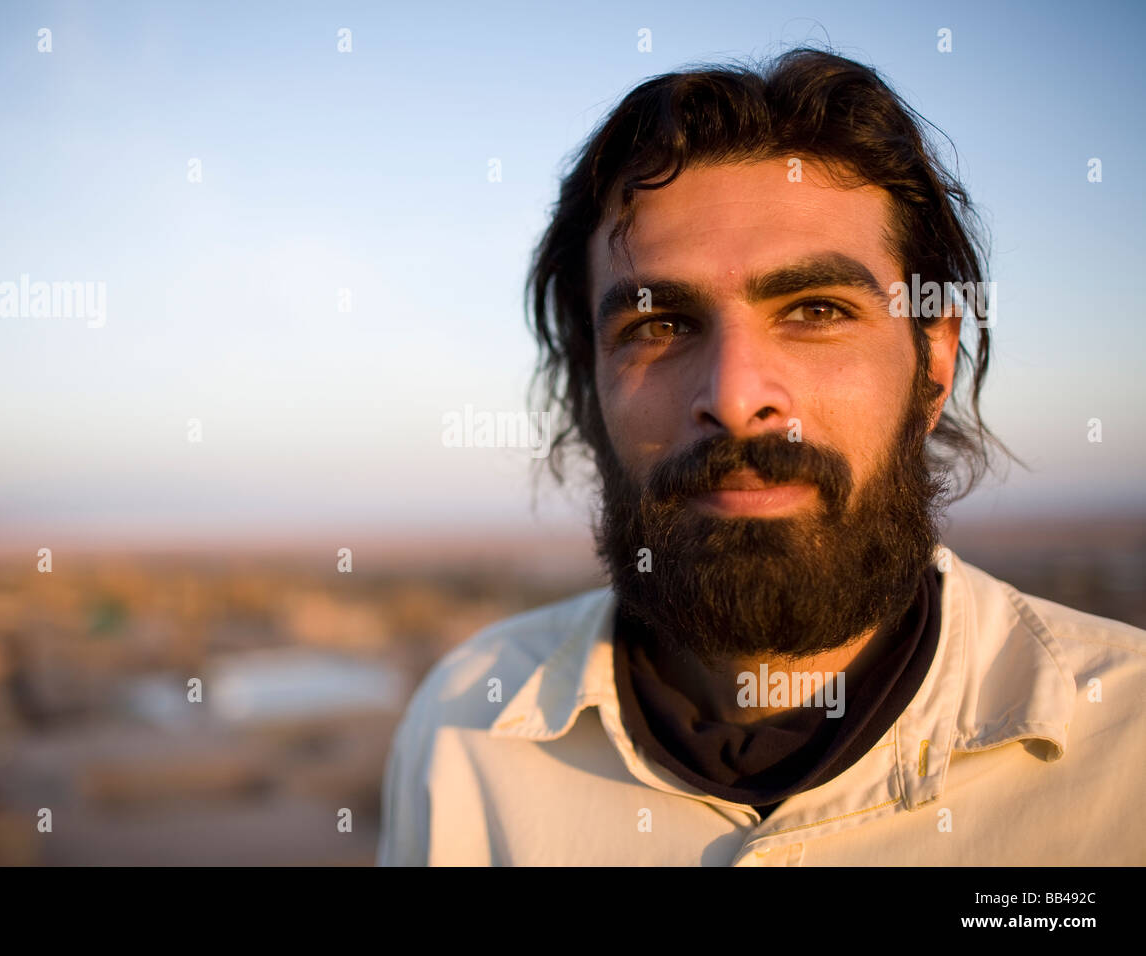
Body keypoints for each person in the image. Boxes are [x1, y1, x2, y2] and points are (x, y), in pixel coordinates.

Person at [377, 48, 1146, 866]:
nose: (737, 398)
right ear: (586, 384)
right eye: (659, 325)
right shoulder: (465, 732)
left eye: (815, 309)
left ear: (934, 363)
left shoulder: (1124, 750)